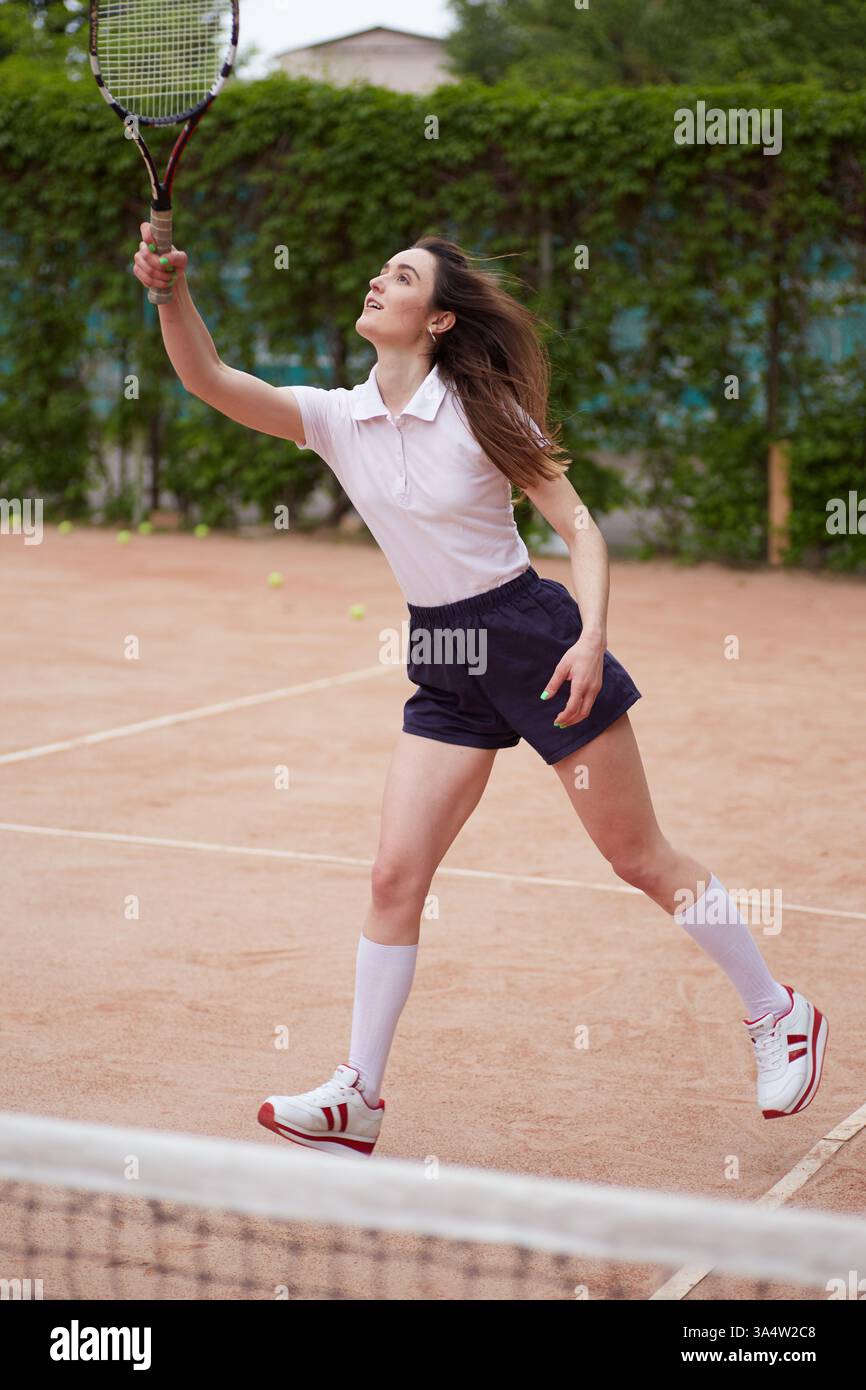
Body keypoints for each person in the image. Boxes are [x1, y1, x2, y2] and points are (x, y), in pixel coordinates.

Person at [134, 228, 828, 1159]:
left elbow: (580, 527)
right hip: (443, 653)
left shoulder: (480, 410)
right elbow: (210, 379)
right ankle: (359, 1094)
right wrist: (170, 294)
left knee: (636, 857)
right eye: (382, 270)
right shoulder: (337, 418)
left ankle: (777, 1012)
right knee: (394, 875)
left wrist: (590, 636)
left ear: (439, 320)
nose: (378, 281)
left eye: (403, 277)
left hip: (533, 640)